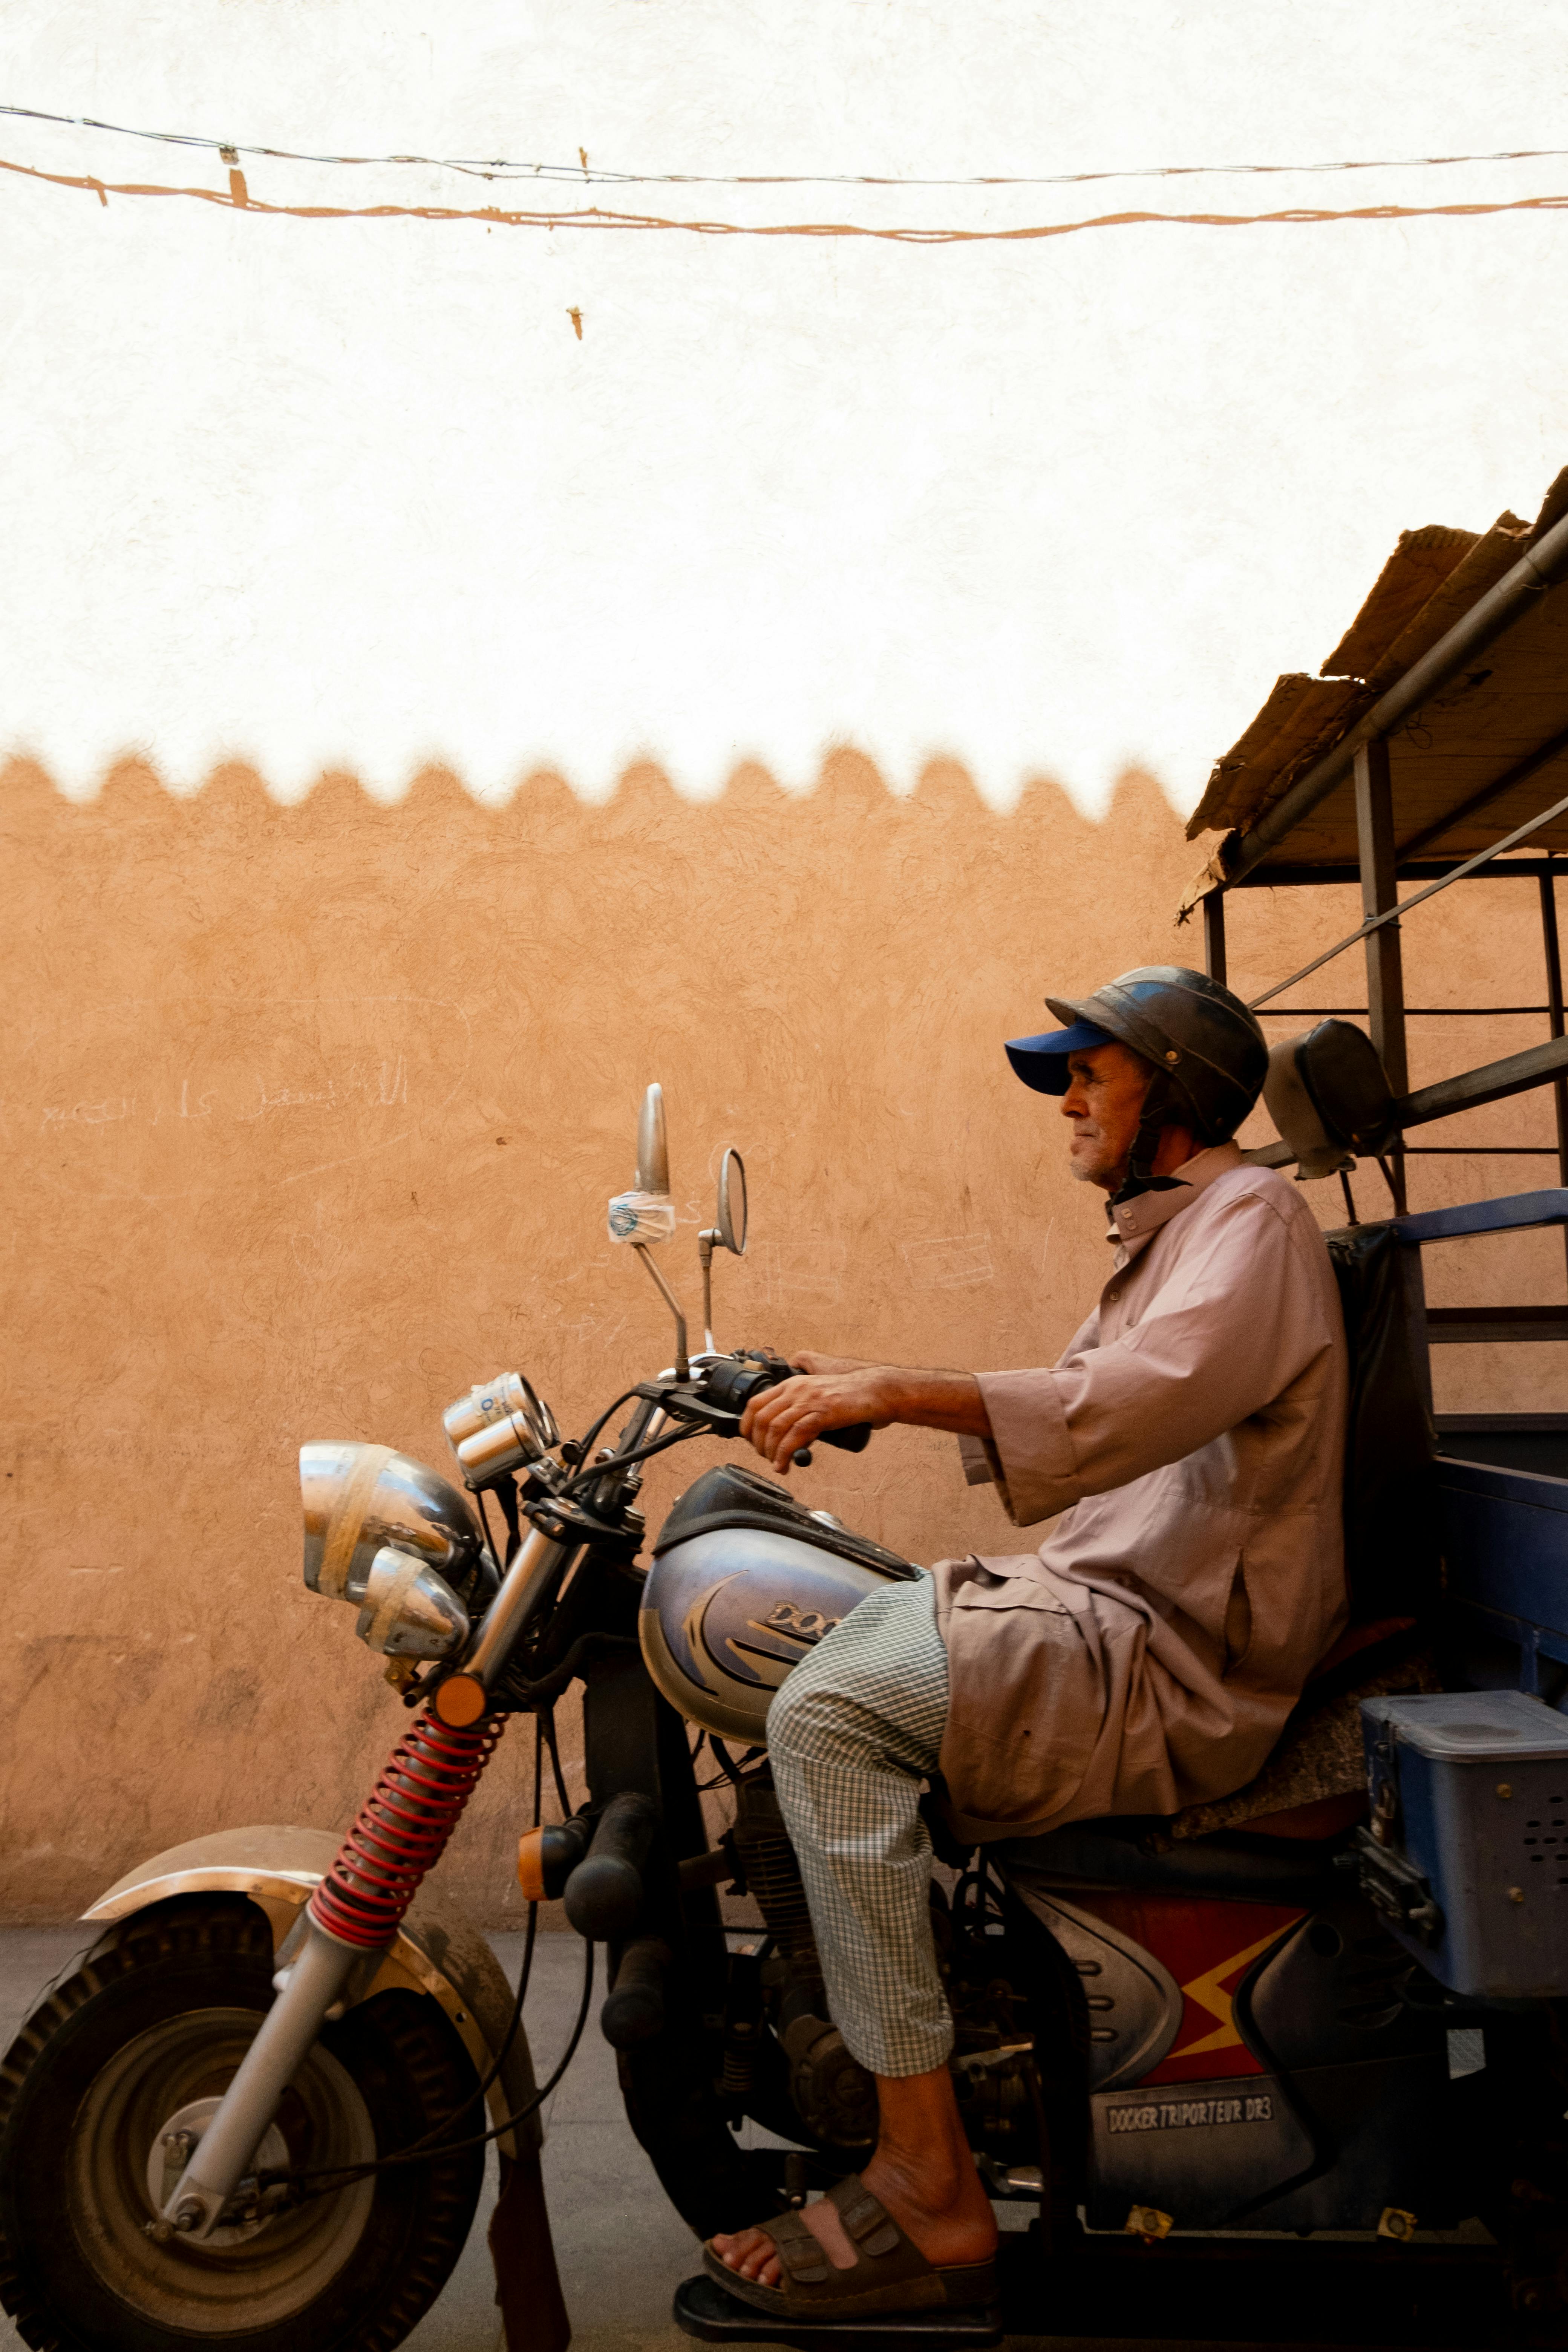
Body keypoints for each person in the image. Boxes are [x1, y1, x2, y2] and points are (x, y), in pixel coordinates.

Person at [706, 965, 1349, 2320]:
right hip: (1101, 1595)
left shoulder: (1255, 1222)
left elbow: (1124, 1406)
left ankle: (929, 2183)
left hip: (1167, 1651)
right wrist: (839, 1387)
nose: (1067, 1097)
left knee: (827, 1718)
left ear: (1170, 1091)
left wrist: (893, 1385)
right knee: (816, 1623)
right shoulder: (1182, 1234)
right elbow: (1079, 1428)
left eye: (1090, 1073)